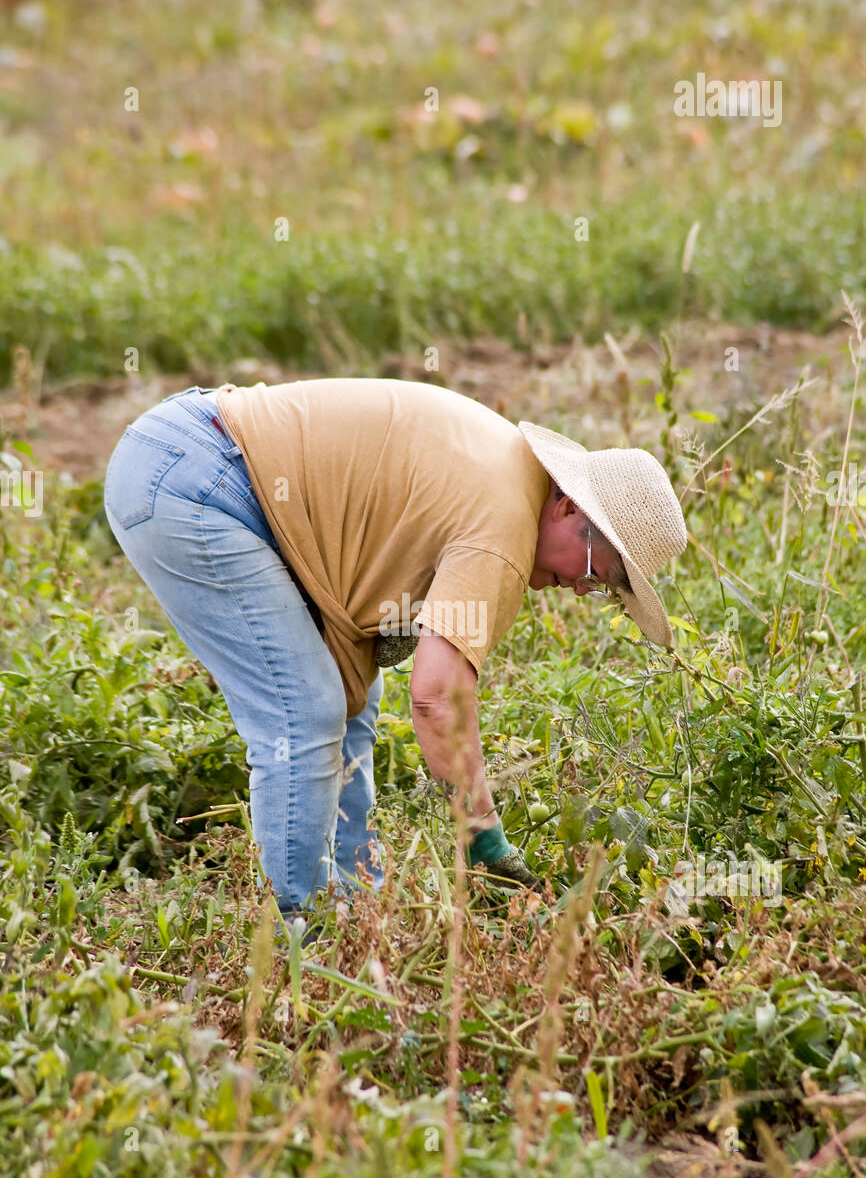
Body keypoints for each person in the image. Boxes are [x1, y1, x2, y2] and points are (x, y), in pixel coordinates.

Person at [103, 379, 686, 918]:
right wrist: (486, 843)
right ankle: (291, 942)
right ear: (567, 509)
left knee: (350, 705)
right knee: (304, 712)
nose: (581, 588)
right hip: (200, 483)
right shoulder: (506, 527)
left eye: (601, 587)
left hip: (186, 452)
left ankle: (361, 915)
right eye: (592, 568)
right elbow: (437, 698)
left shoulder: (509, 476)